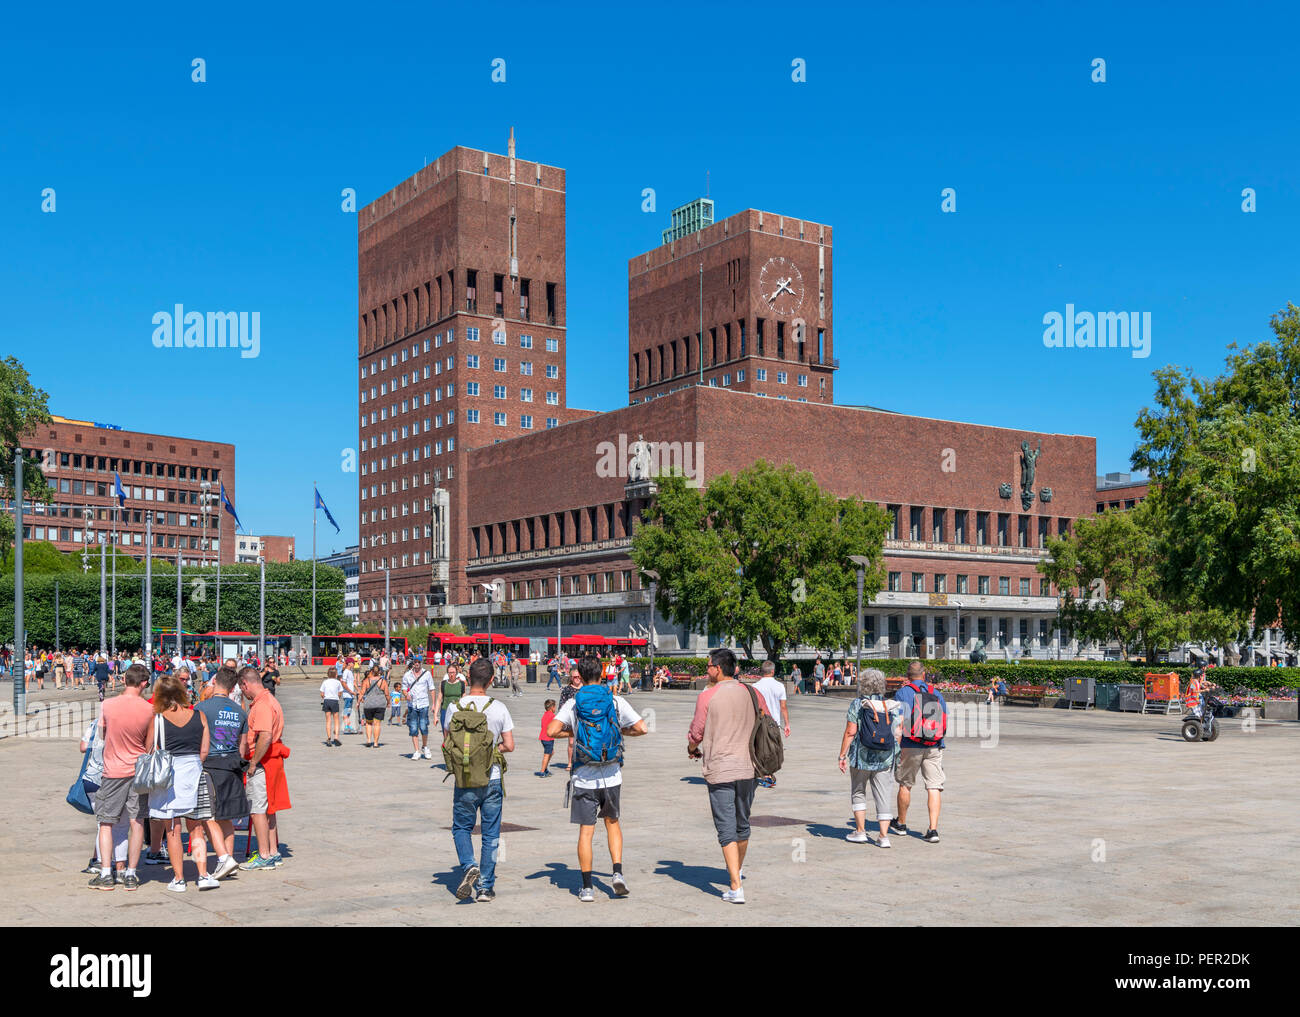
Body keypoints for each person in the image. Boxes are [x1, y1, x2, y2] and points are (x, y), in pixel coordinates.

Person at [547, 656, 647, 901]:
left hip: (583, 776)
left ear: (579, 674)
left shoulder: (574, 702)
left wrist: (576, 731)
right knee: (612, 823)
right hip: (612, 775)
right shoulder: (614, 700)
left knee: (586, 831)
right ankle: (617, 874)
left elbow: (551, 731)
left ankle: (587, 887)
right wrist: (622, 730)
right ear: (602, 675)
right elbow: (642, 728)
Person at [686, 647, 772, 904]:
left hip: (721, 768)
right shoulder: (752, 692)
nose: (706, 670)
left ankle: (735, 886)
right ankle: (737, 870)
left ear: (718, 669)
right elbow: (767, 721)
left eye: (709, 666)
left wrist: (692, 749)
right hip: (749, 767)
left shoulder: (707, 696)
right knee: (742, 823)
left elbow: (696, 733)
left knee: (725, 827)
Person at [447, 658, 514, 902]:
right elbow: (510, 745)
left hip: (464, 778)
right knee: (491, 833)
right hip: (492, 777)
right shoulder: (499, 708)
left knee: (461, 828)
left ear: (467, 679)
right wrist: (492, 749)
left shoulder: (455, 707)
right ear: (491, 681)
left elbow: (447, 743)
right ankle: (485, 887)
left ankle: (468, 865)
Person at [87, 663, 154, 891]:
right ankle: (131, 875)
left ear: (124, 679)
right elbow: (149, 746)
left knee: (106, 821)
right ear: (144, 683)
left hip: (112, 771)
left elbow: (103, 735)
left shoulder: (107, 705)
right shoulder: (148, 710)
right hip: (137, 773)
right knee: (136, 822)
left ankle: (106, 873)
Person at [145, 675, 212, 892]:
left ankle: (179, 879)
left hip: (168, 776)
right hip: (193, 772)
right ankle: (203, 875)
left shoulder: (157, 719)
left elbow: (149, 750)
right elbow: (204, 751)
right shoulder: (199, 715)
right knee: (197, 828)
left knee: (172, 828)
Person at [194, 667, 248, 880]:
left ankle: (223, 857)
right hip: (232, 765)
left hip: (210, 766)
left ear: (214, 681)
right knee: (227, 817)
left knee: (208, 815)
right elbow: (242, 747)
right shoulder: (240, 711)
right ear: (233, 687)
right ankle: (228, 861)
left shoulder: (202, 707)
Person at [838, 668, 903, 847]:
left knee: (858, 792)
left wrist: (842, 755)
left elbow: (850, 732)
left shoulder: (858, 704)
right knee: (883, 795)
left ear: (863, 684)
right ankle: (883, 837)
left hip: (861, 757)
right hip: (885, 758)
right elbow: (897, 733)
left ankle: (860, 831)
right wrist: (896, 756)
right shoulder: (890, 706)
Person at [238, 666, 290, 869]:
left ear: (246, 683)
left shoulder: (262, 705)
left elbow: (265, 736)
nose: (244, 693)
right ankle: (272, 851)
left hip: (262, 762)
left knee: (257, 809)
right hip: (271, 761)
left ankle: (264, 854)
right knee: (269, 808)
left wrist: (252, 762)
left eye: (243, 689)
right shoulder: (270, 700)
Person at [892, 662, 947, 843]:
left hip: (911, 744)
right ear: (924, 675)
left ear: (908, 676)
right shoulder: (936, 693)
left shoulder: (903, 693)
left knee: (905, 784)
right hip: (934, 744)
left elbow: (899, 722)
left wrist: (896, 747)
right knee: (934, 786)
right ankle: (933, 830)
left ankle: (901, 824)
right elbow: (944, 717)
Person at [751, 660, 790, 788]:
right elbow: (783, 707)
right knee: (773, 749)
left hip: (760, 722)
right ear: (772, 671)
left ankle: (764, 773)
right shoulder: (779, 686)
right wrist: (787, 724)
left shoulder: (755, 686)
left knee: (760, 748)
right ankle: (768, 774)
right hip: (774, 723)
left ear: (762, 671)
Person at [402, 658, 435, 760]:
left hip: (424, 703)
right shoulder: (407, 675)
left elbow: (432, 688)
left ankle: (424, 747)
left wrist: (433, 703)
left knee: (423, 726)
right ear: (413, 663)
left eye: (418, 662)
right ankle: (416, 751)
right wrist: (406, 694)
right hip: (412, 704)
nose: (417, 664)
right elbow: (403, 687)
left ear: (421, 663)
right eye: (415, 662)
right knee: (413, 727)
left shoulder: (427, 674)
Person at [358, 666, 388, 748]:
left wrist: (358, 702)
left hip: (369, 704)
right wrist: (388, 702)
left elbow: (362, 693)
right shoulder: (383, 681)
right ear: (379, 672)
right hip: (380, 704)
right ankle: (375, 743)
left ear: (371, 671)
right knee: (377, 724)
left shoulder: (366, 681)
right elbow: (387, 694)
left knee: (368, 723)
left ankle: (368, 740)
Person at [435, 663, 466, 733]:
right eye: (450, 673)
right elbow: (439, 700)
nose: (451, 674)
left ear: (456, 673)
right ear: (447, 673)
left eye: (453, 672)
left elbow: (464, 699)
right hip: (445, 711)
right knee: (446, 734)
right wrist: (435, 715)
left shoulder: (461, 684)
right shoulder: (443, 684)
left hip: (457, 711)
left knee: (457, 735)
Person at [320, 667, 343, 746]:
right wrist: (337, 697)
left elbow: (322, 694)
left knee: (328, 721)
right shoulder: (338, 682)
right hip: (334, 701)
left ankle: (329, 737)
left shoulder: (325, 682)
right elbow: (340, 693)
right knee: (336, 720)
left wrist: (325, 697)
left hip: (327, 701)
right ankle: (336, 737)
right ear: (336, 674)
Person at [537, 700, 557, 777]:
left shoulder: (545, 714)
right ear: (552, 707)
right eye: (555, 706)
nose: (555, 708)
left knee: (551, 752)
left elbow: (543, 725)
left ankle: (545, 768)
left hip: (543, 737)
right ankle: (542, 771)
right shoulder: (552, 716)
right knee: (547, 755)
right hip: (548, 738)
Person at [339, 659, 357, 735]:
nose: (354, 664)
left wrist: (357, 690)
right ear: (349, 663)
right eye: (353, 663)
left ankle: (348, 725)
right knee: (346, 710)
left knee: (348, 710)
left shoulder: (350, 672)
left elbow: (353, 683)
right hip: (347, 695)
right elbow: (343, 683)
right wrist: (350, 691)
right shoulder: (346, 672)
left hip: (351, 695)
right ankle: (347, 726)